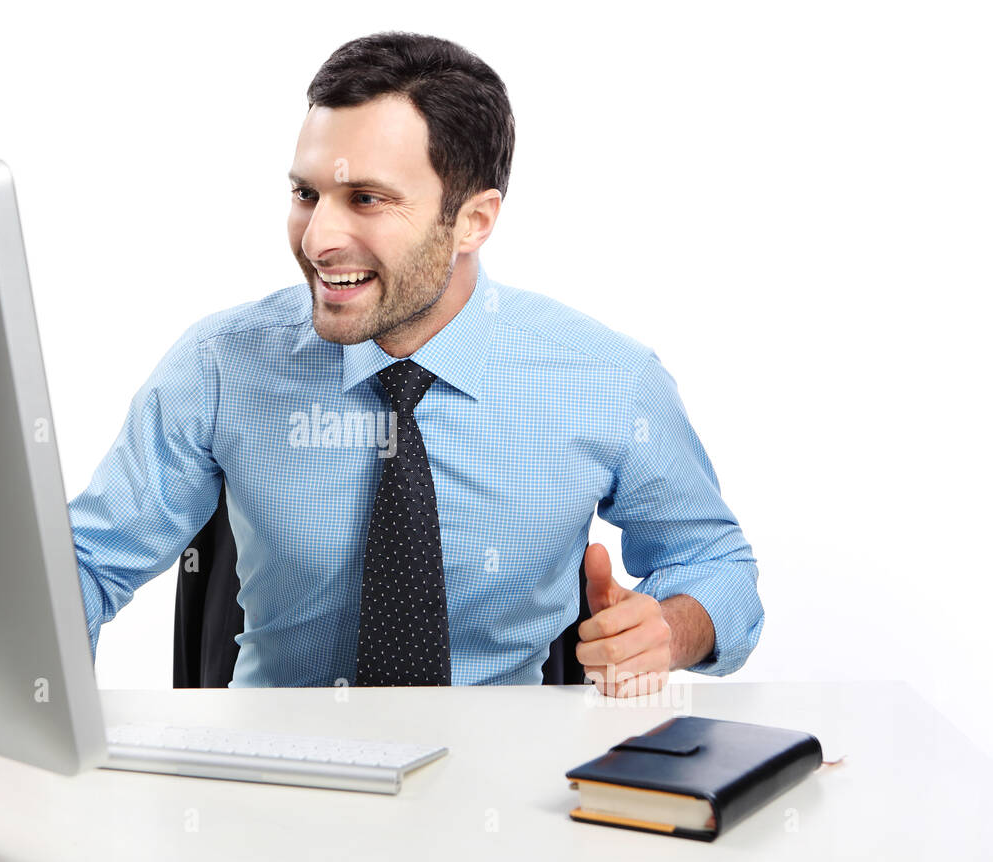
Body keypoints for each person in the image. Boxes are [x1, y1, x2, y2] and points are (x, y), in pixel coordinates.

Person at [69, 31, 762, 695]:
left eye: (365, 199)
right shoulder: (220, 366)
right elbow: (85, 563)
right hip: (278, 777)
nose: (317, 238)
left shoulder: (607, 380)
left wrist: (670, 628)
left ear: (474, 221)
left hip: (504, 783)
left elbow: (715, 562)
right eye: (306, 194)